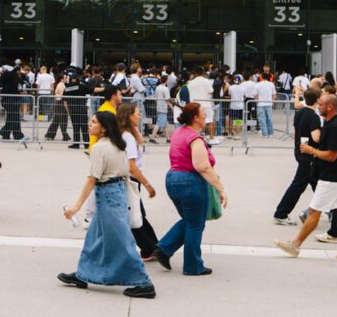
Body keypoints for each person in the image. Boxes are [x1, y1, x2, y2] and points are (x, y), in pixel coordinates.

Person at [58, 112, 156, 298]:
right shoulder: (118, 145)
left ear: (103, 127)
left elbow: (92, 179)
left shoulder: (99, 148)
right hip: (116, 194)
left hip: (108, 196)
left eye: (93, 122)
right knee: (93, 240)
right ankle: (83, 274)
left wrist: (75, 207)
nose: (89, 124)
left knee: (123, 241)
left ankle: (144, 283)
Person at [149, 101, 226, 276]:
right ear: (195, 118)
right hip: (190, 182)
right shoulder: (195, 138)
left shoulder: (179, 132)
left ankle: (164, 248)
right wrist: (220, 188)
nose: (206, 115)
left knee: (190, 220)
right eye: (203, 113)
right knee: (195, 224)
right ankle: (193, 265)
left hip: (173, 179)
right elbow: (202, 166)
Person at [274, 92, 337, 259]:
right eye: (318, 103)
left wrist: (311, 150)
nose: (318, 106)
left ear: (330, 107)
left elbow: (332, 155)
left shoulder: (335, 126)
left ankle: (295, 244)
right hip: (331, 175)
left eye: (320, 104)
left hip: (330, 177)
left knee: (314, 211)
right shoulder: (328, 123)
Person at [272, 88, 322, 225]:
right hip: (309, 154)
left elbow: (295, 132)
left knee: (317, 184)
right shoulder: (314, 117)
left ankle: (332, 212)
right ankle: (281, 213)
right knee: (299, 185)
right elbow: (316, 138)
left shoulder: (300, 113)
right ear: (318, 100)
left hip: (299, 151)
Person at [119, 102, 160, 258]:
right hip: (132, 179)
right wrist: (147, 184)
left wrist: (134, 127)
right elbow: (132, 166)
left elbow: (140, 140)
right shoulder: (127, 137)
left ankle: (153, 247)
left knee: (138, 215)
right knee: (136, 216)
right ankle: (150, 248)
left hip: (132, 179)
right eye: (137, 113)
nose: (140, 115)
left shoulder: (128, 134)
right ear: (128, 116)